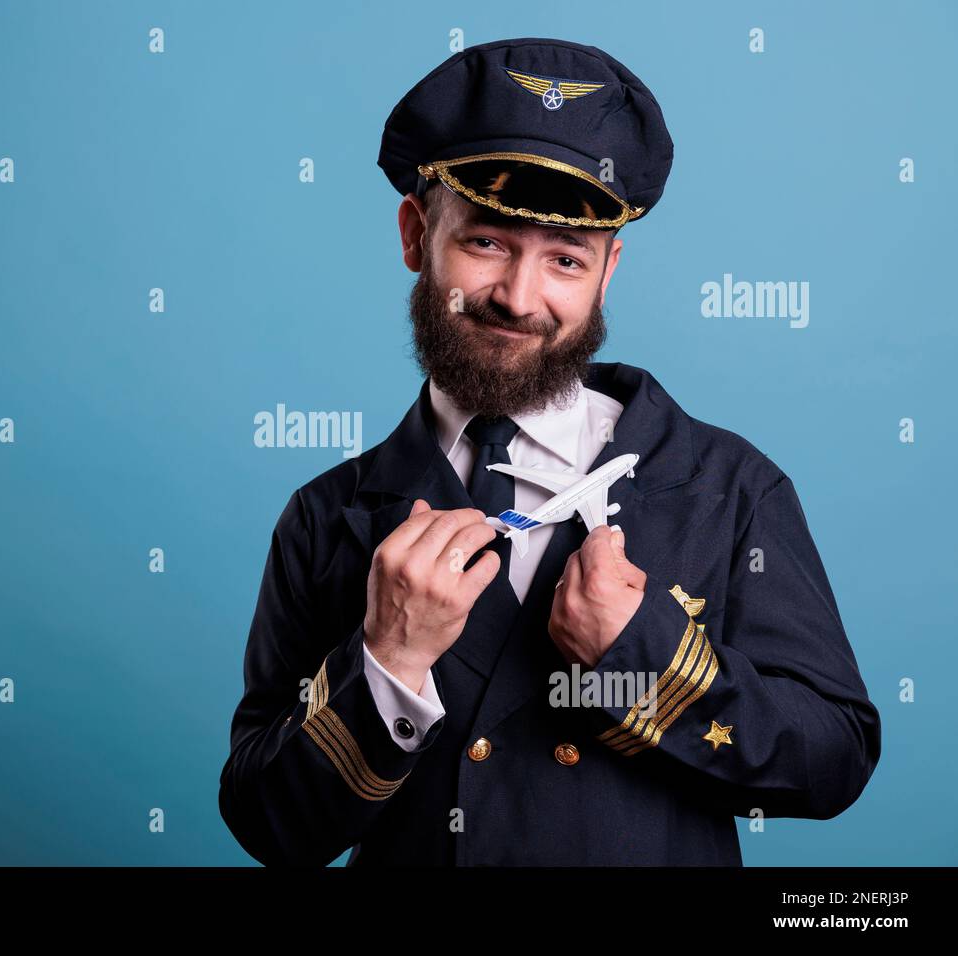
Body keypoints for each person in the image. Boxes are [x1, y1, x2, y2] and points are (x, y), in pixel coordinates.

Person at [217, 37, 880, 866]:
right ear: (416, 234)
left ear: (607, 275)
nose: (519, 299)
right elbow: (269, 824)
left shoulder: (727, 488)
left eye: (565, 259)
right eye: (486, 243)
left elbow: (835, 764)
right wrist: (386, 661)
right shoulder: (325, 516)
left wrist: (640, 655)